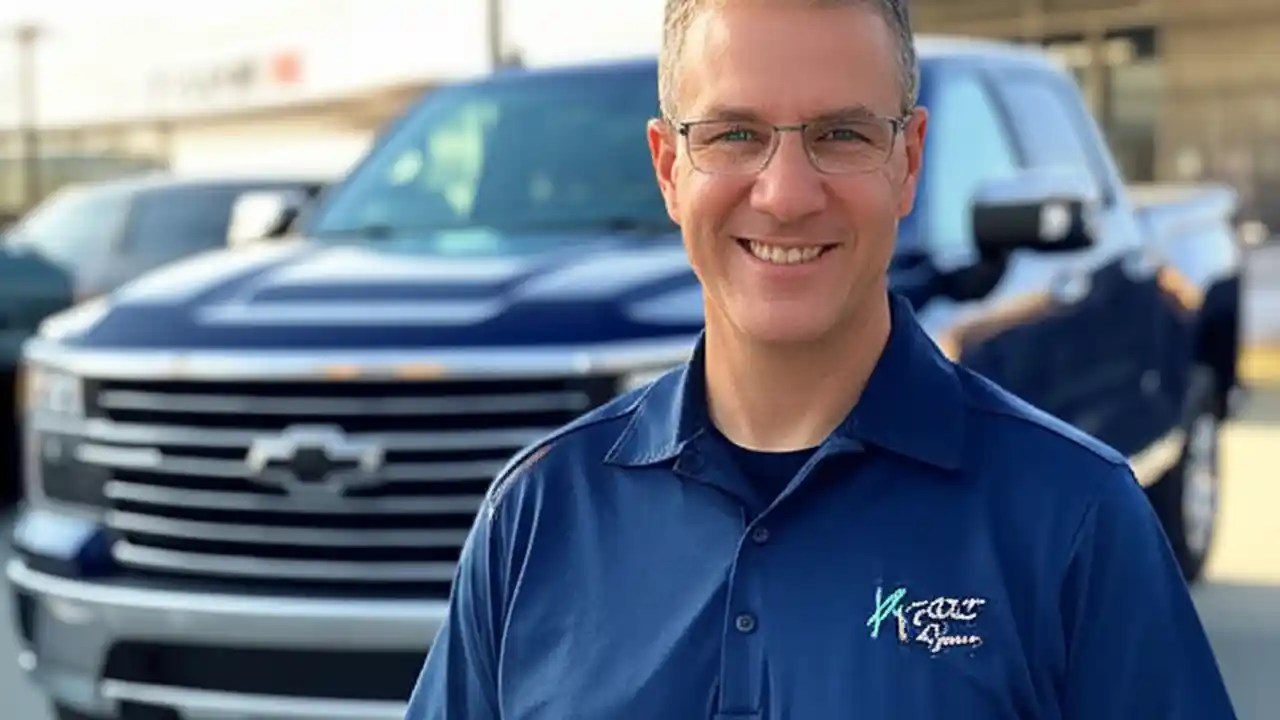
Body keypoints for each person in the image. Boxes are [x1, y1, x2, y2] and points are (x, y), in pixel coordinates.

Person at [405, 1, 1238, 718]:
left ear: (908, 161)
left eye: (842, 135)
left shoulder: (1074, 519)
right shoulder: (539, 516)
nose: (787, 194)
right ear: (668, 168)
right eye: (735, 134)